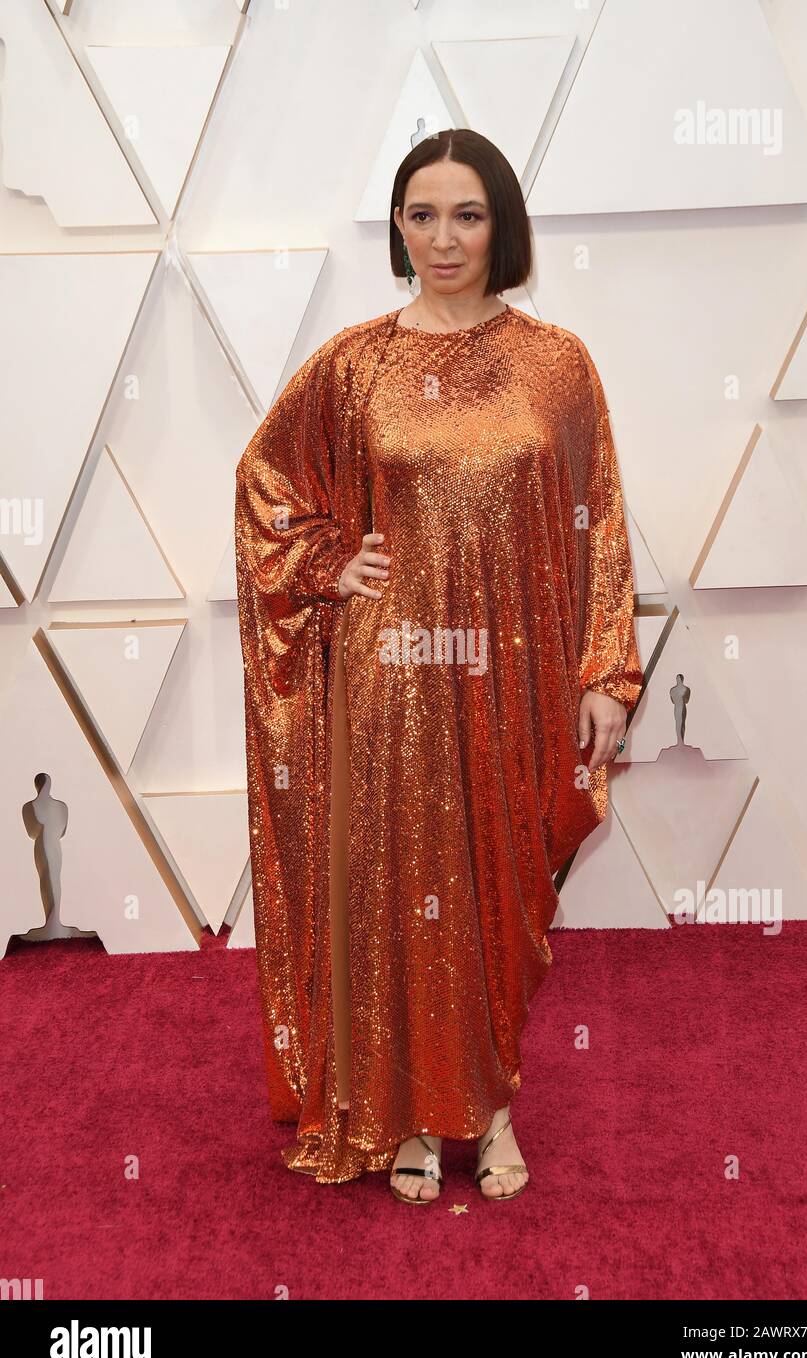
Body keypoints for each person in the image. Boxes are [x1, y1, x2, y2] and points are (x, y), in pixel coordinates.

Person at [234, 128, 643, 1206]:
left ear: (500, 225)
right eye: (421, 214)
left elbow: (596, 519)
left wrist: (604, 670)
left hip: (512, 678)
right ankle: (413, 1113)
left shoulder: (555, 365)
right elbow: (266, 482)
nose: (442, 236)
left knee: (500, 896)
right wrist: (328, 558)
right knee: (405, 894)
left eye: (466, 214)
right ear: (397, 227)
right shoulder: (354, 363)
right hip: (394, 676)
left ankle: (492, 1102)